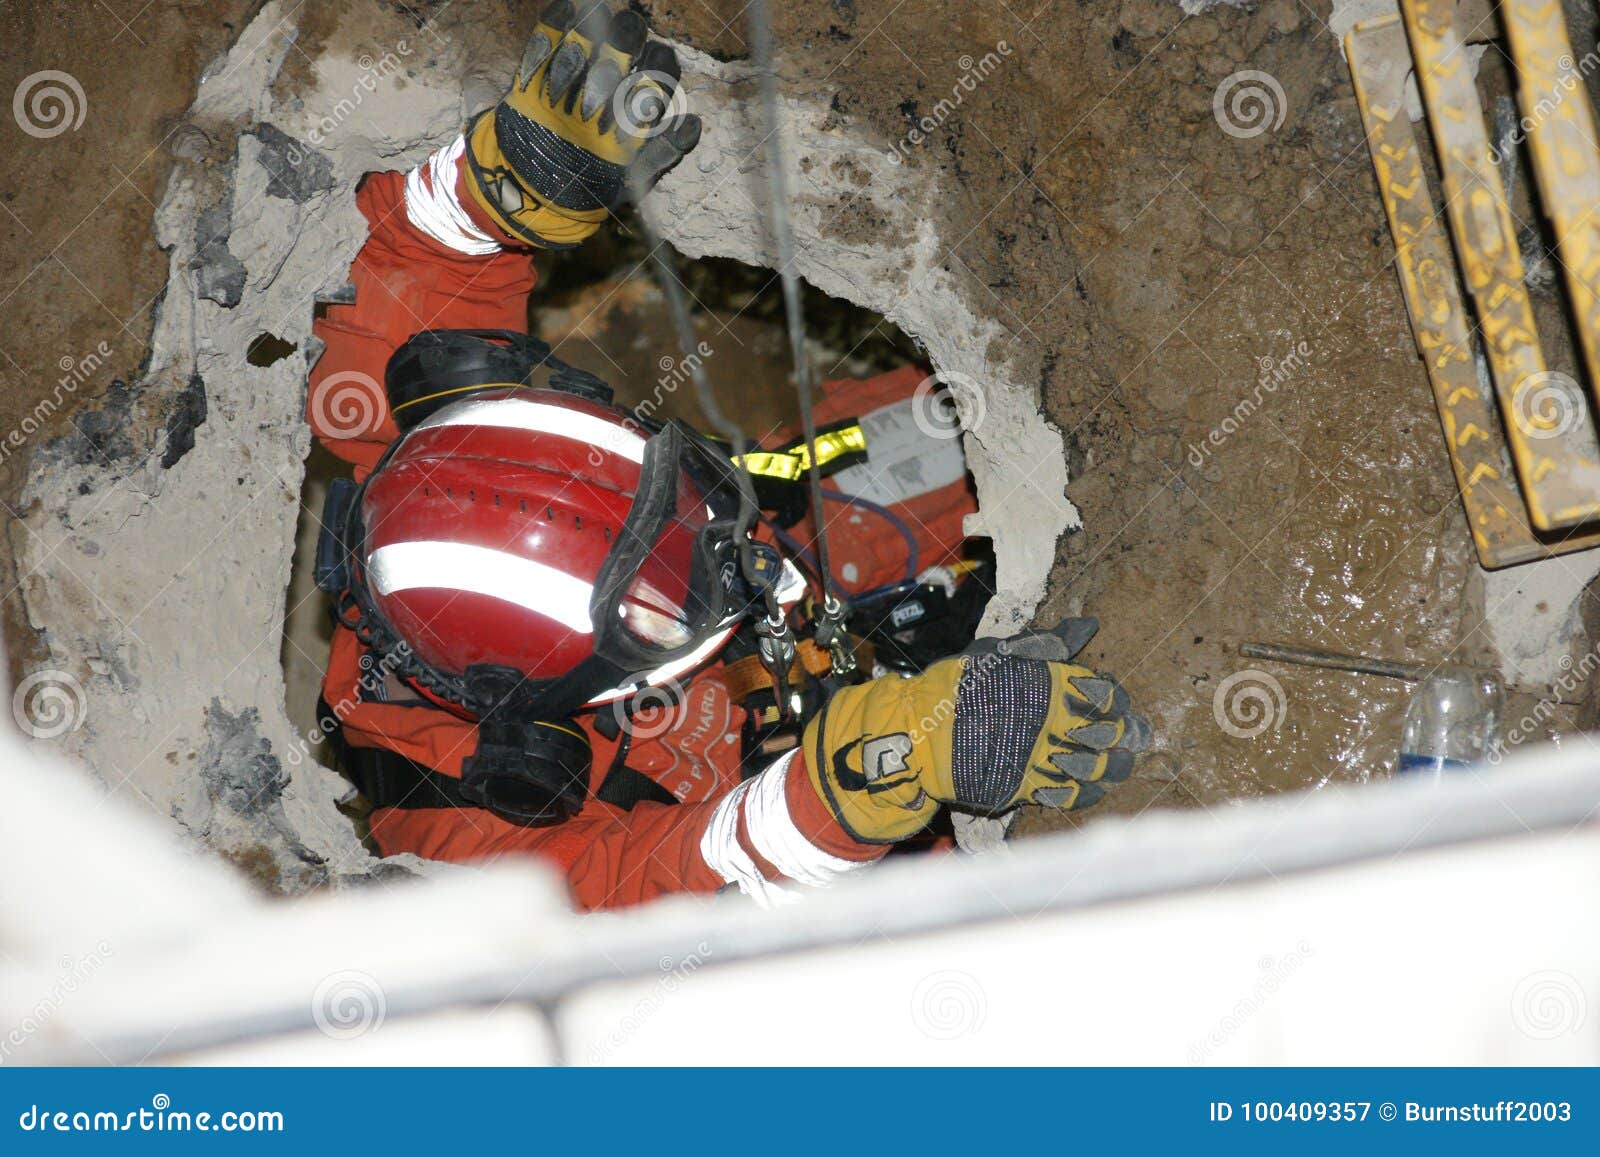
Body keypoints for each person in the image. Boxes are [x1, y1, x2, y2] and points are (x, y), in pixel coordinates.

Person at [308, 1, 1149, 911]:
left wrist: (508, 186)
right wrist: (884, 768)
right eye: (672, 599)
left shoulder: (438, 459)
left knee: (897, 439)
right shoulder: (477, 844)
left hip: (819, 597)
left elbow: (412, 256)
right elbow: (683, 878)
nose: (733, 567)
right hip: (760, 780)